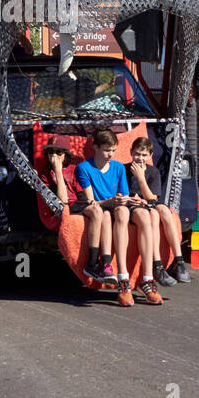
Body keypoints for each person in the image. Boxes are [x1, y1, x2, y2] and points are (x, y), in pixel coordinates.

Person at [74, 130, 143, 306]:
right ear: (95, 147)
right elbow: (91, 201)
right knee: (103, 213)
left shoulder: (119, 167)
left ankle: (120, 273)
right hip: (99, 206)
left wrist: (125, 199)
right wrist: (111, 200)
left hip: (115, 207)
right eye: (106, 150)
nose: (110, 154)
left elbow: (124, 195)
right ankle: (102, 264)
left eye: (113, 150)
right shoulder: (84, 168)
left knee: (123, 211)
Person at [44, 139, 116, 288]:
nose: (54, 156)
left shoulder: (73, 169)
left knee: (100, 211)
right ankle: (93, 263)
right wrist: (57, 171)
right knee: (95, 210)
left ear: (65, 155)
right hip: (62, 206)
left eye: (59, 152)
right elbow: (62, 200)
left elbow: (80, 194)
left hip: (78, 203)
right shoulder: (45, 174)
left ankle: (99, 262)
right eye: (51, 152)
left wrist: (90, 202)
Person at [127, 136, 191, 287]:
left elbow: (152, 198)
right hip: (134, 206)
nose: (140, 158)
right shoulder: (124, 169)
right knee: (155, 213)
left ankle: (179, 260)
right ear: (131, 153)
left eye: (144, 155)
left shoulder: (153, 172)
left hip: (148, 203)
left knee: (164, 209)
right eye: (137, 154)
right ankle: (157, 265)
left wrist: (141, 178)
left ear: (150, 156)